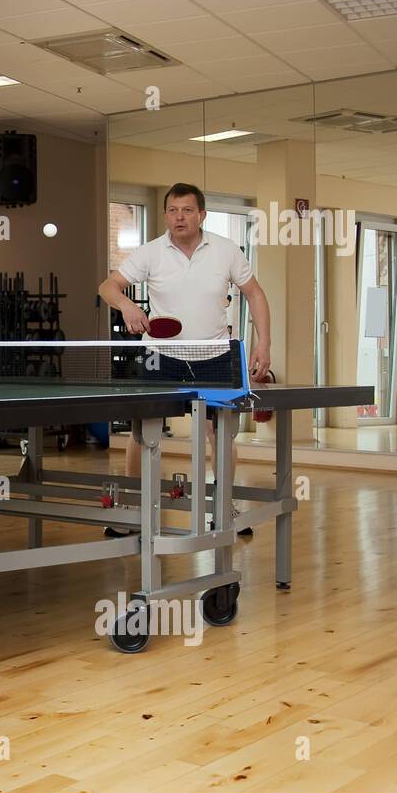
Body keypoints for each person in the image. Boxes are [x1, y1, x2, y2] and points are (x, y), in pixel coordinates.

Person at [97, 183, 271, 537]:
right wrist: (127, 304)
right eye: (173, 210)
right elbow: (107, 287)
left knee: (219, 432)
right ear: (165, 215)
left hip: (216, 355)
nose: (179, 217)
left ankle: (224, 506)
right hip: (161, 357)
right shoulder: (149, 253)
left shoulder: (226, 251)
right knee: (143, 432)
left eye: (187, 210)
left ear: (202, 215)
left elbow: (254, 293)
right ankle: (134, 508)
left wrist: (263, 343)